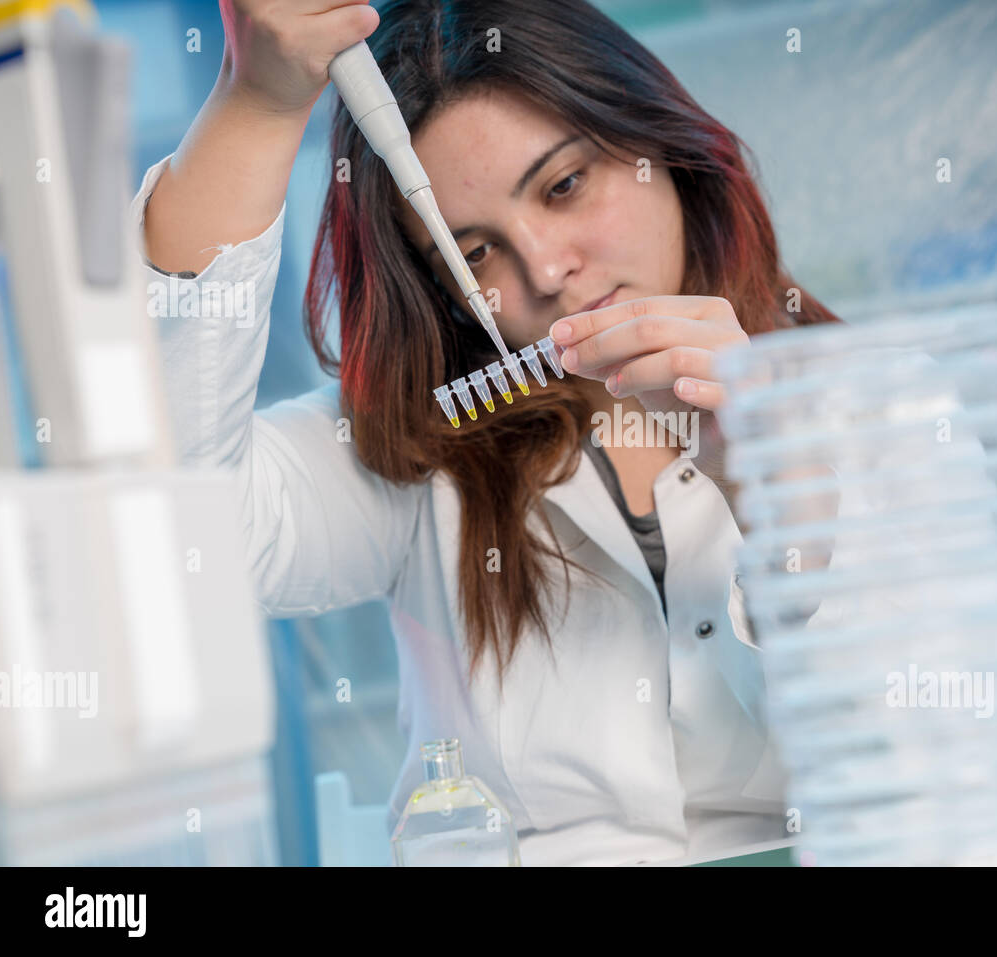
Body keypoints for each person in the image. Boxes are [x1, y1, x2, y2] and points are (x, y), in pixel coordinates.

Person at [138, 0, 842, 866]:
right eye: (473, 253)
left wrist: (778, 498)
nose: (545, 272)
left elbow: (943, 757)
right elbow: (183, 529)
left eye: (564, 185)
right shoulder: (417, 451)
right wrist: (257, 107)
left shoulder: (876, 408)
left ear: (660, 144)